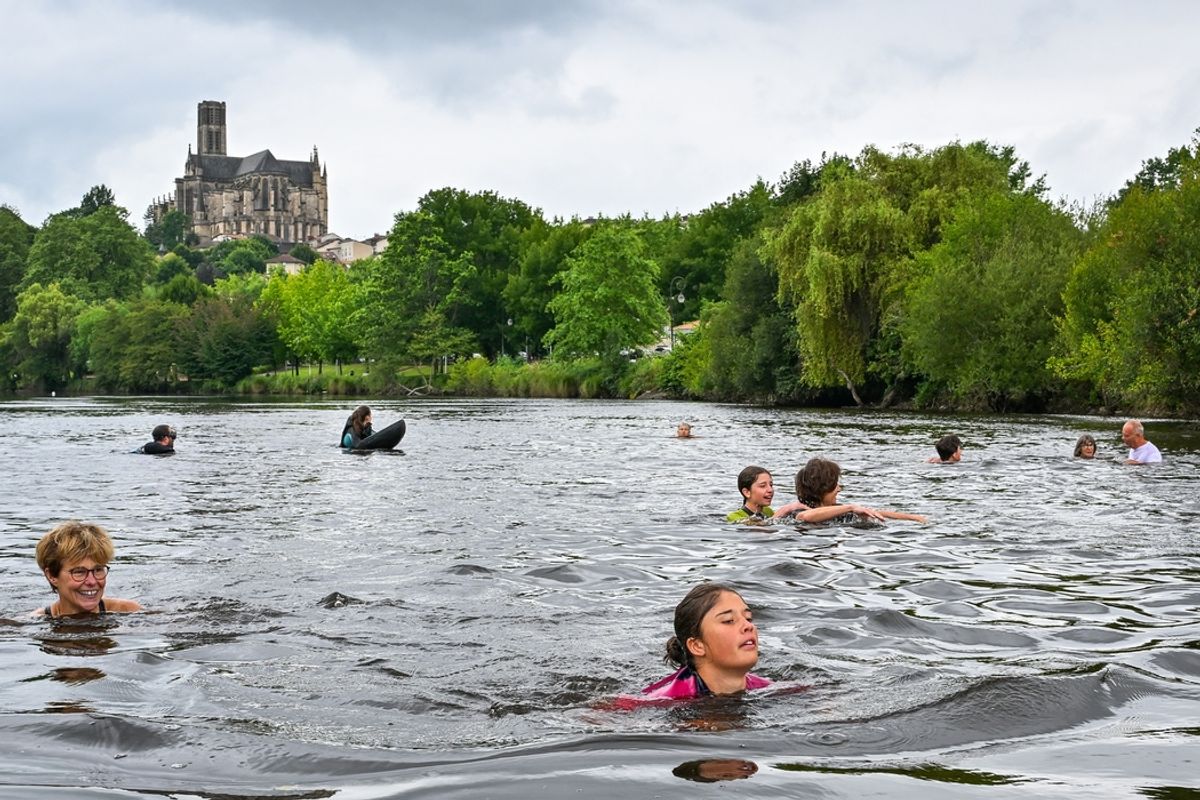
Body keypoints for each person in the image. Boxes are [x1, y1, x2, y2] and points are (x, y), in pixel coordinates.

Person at [640, 583, 772, 700]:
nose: (749, 626)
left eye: (748, 618)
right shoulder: (664, 701)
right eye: (728, 621)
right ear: (697, 646)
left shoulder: (770, 689)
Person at [33, 521, 142, 618]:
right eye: (79, 572)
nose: (92, 581)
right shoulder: (33, 623)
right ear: (52, 575)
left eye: (98, 570)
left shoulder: (130, 612)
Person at [792, 457, 927, 524]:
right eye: (835, 485)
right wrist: (850, 507)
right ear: (821, 488)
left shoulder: (838, 511)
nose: (839, 489)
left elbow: (877, 512)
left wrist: (913, 518)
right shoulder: (801, 511)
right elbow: (805, 517)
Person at [726, 466, 807, 523]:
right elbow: (757, 526)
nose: (770, 490)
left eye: (771, 485)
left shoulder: (767, 511)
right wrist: (787, 509)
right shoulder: (733, 517)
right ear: (747, 492)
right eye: (762, 486)